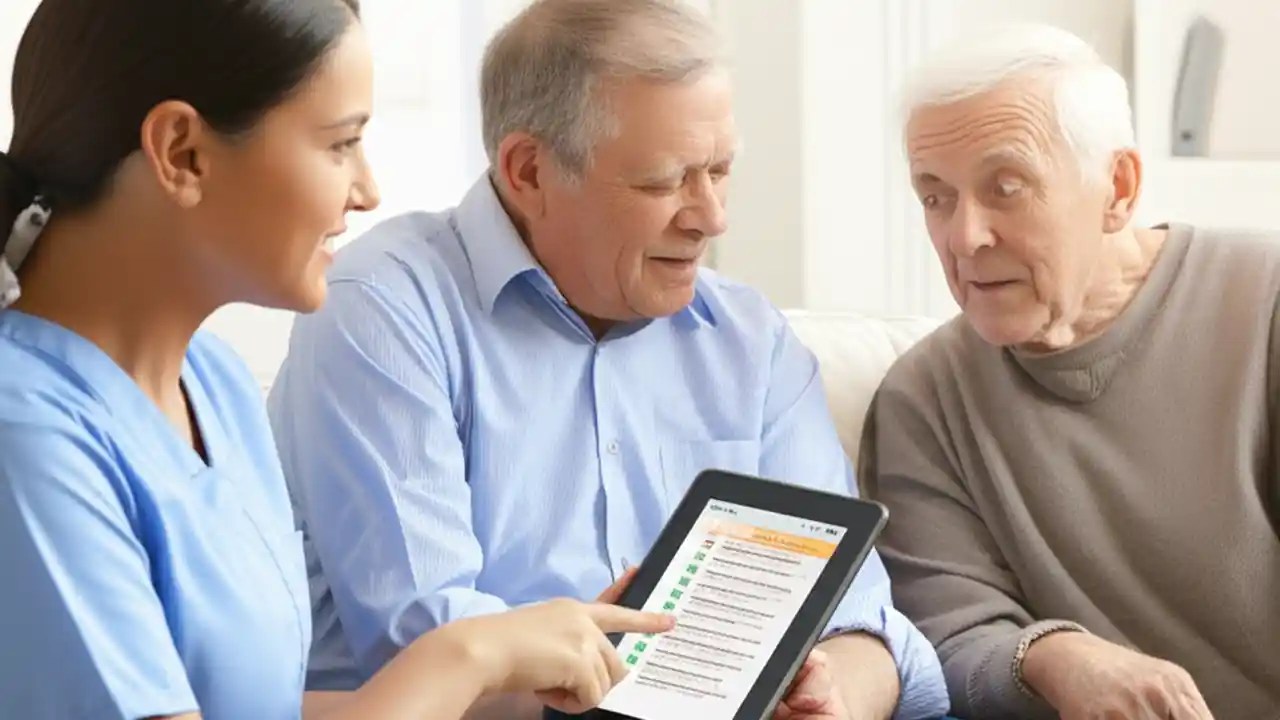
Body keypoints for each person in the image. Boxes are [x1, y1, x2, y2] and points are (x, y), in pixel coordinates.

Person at [267, 1, 949, 718]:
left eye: (720, 170)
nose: (712, 217)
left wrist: (837, 694)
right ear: (528, 170)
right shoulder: (382, 307)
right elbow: (427, 648)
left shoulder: (747, 340)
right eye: (664, 181)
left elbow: (864, 619)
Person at [0, 1, 674, 718]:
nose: (367, 190)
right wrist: (466, 654)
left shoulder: (215, 385)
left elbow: (255, 710)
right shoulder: (25, 434)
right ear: (181, 152)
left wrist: (508, 657)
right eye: (339, 144)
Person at [858, 23, 1280, 720]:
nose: (965, 237)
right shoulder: (925, 398)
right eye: (936, 197)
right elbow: (945, 640)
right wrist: (1050, 655)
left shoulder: (1262, 304)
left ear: (1117, 187)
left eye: (1007, 186)